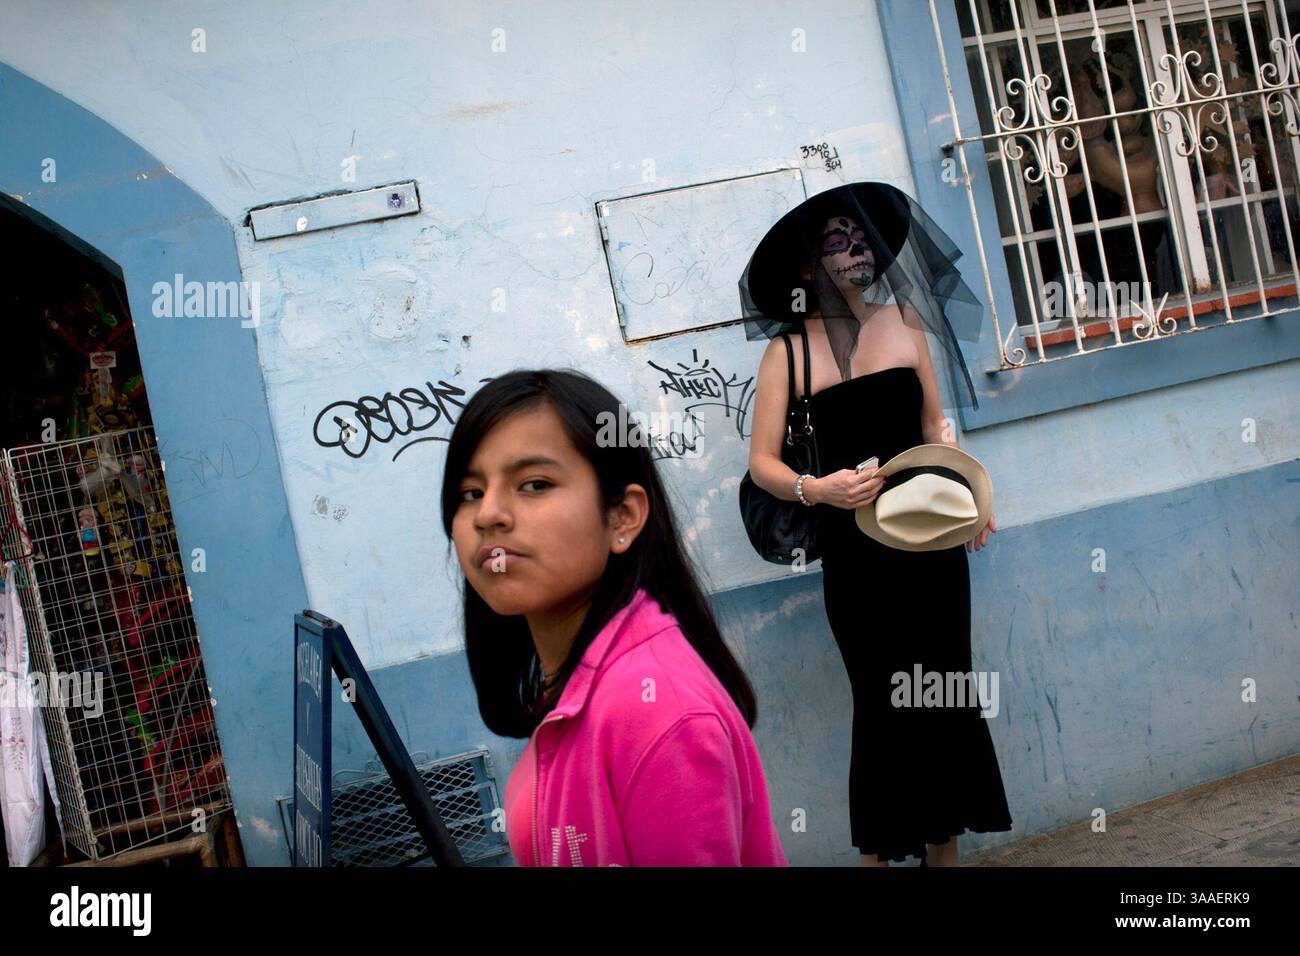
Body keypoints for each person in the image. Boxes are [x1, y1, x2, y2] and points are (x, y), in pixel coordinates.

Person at [740, 181, 1013, 866]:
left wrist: (973, 501)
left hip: (930, 545)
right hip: (857, 559)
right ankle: (881, 857)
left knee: (944, 691)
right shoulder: (788, 355)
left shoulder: (907, 325)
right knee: (885, 705)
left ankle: (944, 853)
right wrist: (817, 488)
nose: (857, 250)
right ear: (808, 268)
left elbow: (932, 428)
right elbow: (763, 465)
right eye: (839, 241)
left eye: (861, 238)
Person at [440, 369, 788, 866]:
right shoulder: (579, 680)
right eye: (470, 492)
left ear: (623, 516)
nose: (487, 514)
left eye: (533, 484)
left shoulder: (656, 713)